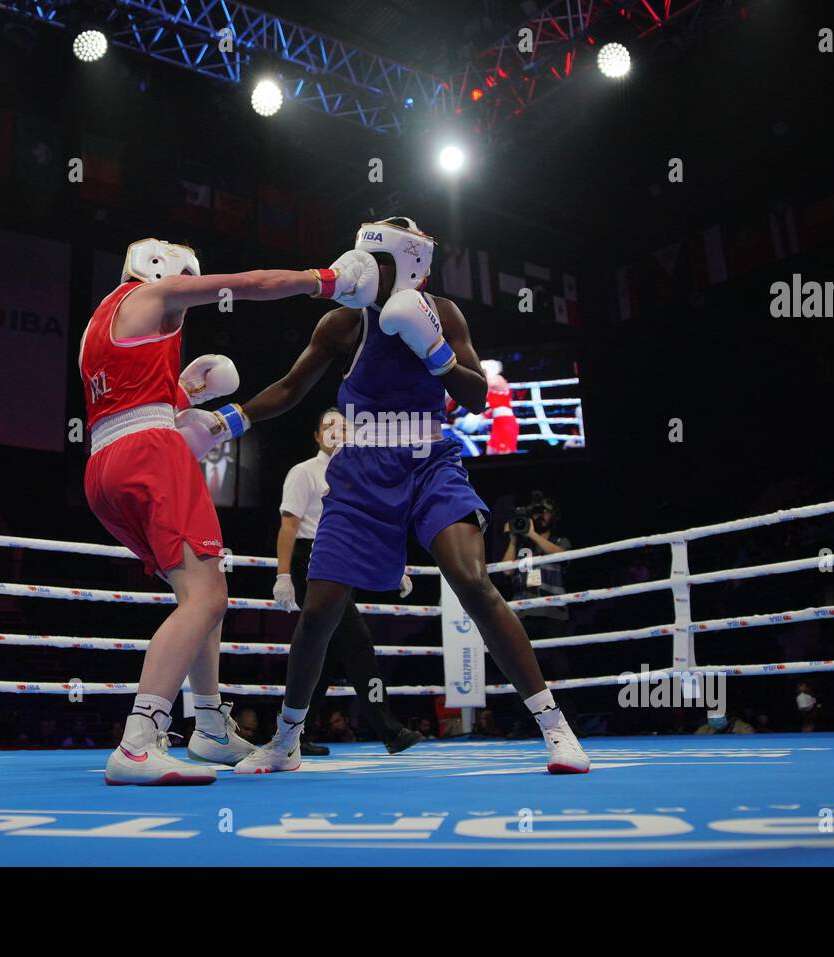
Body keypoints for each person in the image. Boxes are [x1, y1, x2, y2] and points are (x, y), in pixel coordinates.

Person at [184, 217, 589, 775]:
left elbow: (475, 399)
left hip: (430, 461)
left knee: (473, 580)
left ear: (410, 265)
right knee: (321, 608)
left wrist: (437, 351)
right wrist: (229, 420)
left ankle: (556, 729)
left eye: (382, 262)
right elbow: (290, 387)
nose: (369, 272)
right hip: (362, 468)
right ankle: (285, 740)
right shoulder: (342, 323)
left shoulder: (443, 313)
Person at [81, 237, 379, 786]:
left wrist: (186, 398)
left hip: (103, 465)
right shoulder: (157, 294)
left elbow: (129, 397)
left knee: (201, 591)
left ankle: (211, 726)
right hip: (150, 454)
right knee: (209, 597)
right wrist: (324, 281)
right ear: (162, 267)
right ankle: (140, 740)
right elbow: (249, 284)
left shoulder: (99, 321)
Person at [272, 407, 422, 756]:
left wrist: (393, 568)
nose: (337, 432)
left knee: (323, 651)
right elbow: (289, 525)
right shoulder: (304, 472)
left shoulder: (356, 473)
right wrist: (283, 574)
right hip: (310, 558)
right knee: (357, 644)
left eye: (343, 426)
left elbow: (367, 527)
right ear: (316, 436)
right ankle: (389, 729)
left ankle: (295, 732)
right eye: (328, 427)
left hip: (342, 555)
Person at [499, 492, 573, 736]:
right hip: (523, 614)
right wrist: (513, 538)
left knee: (559, 667)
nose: (540, 517)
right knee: (520, 668)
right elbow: (506, 572)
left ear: (553, 516)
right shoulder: (521, 547)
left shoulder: (561, 540)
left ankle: (568, 721)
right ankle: (521, 723)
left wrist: (531, 535)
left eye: (545, 512)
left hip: (553, 614)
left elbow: (562, 557)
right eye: (536, 513)